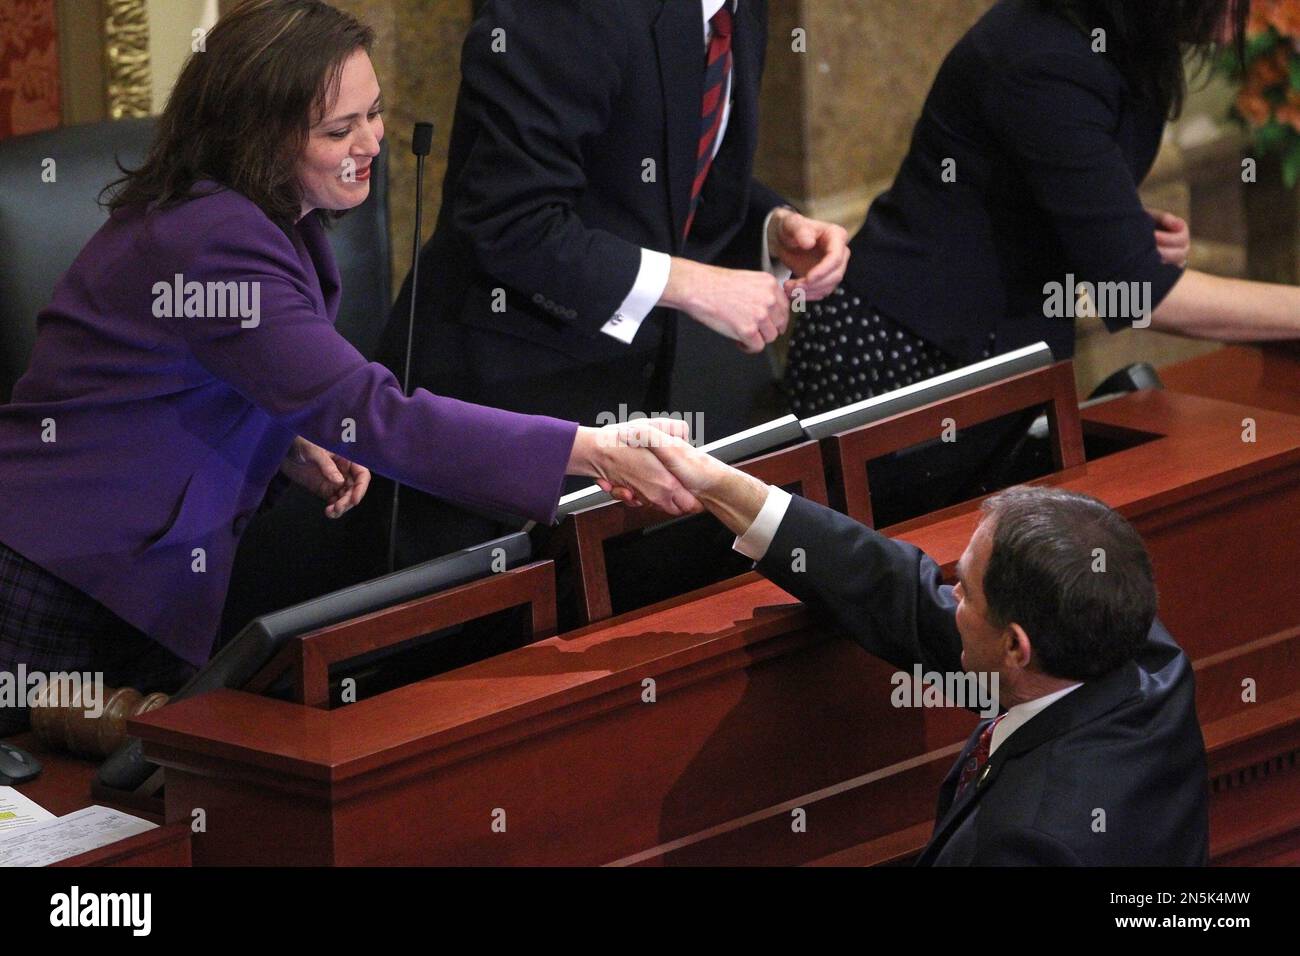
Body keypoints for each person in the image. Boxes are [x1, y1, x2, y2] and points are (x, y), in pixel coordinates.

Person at [0, 0, 694, 736]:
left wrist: (282, 440)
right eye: (339, 130)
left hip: (148, 576)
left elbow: (184, 373)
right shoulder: (216, 241)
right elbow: (373, 411)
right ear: (257, 137)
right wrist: (587, 451)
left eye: (375, 113)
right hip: (57, 579)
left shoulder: (262, 215)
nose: (372, 143)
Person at [371, 0, 851, 567]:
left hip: (626, 404)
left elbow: (665, 170)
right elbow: (508, 218)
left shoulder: (738, 12)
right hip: (496, 406)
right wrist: (691, 284)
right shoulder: (567, 12)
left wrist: (771, 227)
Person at [784, 0, 1297, 519]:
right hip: (897, 357)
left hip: (990, 351)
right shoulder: (1044, 55)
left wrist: (1121, 225)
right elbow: (1147, 296)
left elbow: (1042, 190)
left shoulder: (1124, 37)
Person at [635, 433, 1210, 865]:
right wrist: (719, 485)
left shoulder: (1027, 846)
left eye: (965, 589)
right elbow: (901, 597)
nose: (950, 594)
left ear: (1015, 646)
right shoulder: (1141, 656)